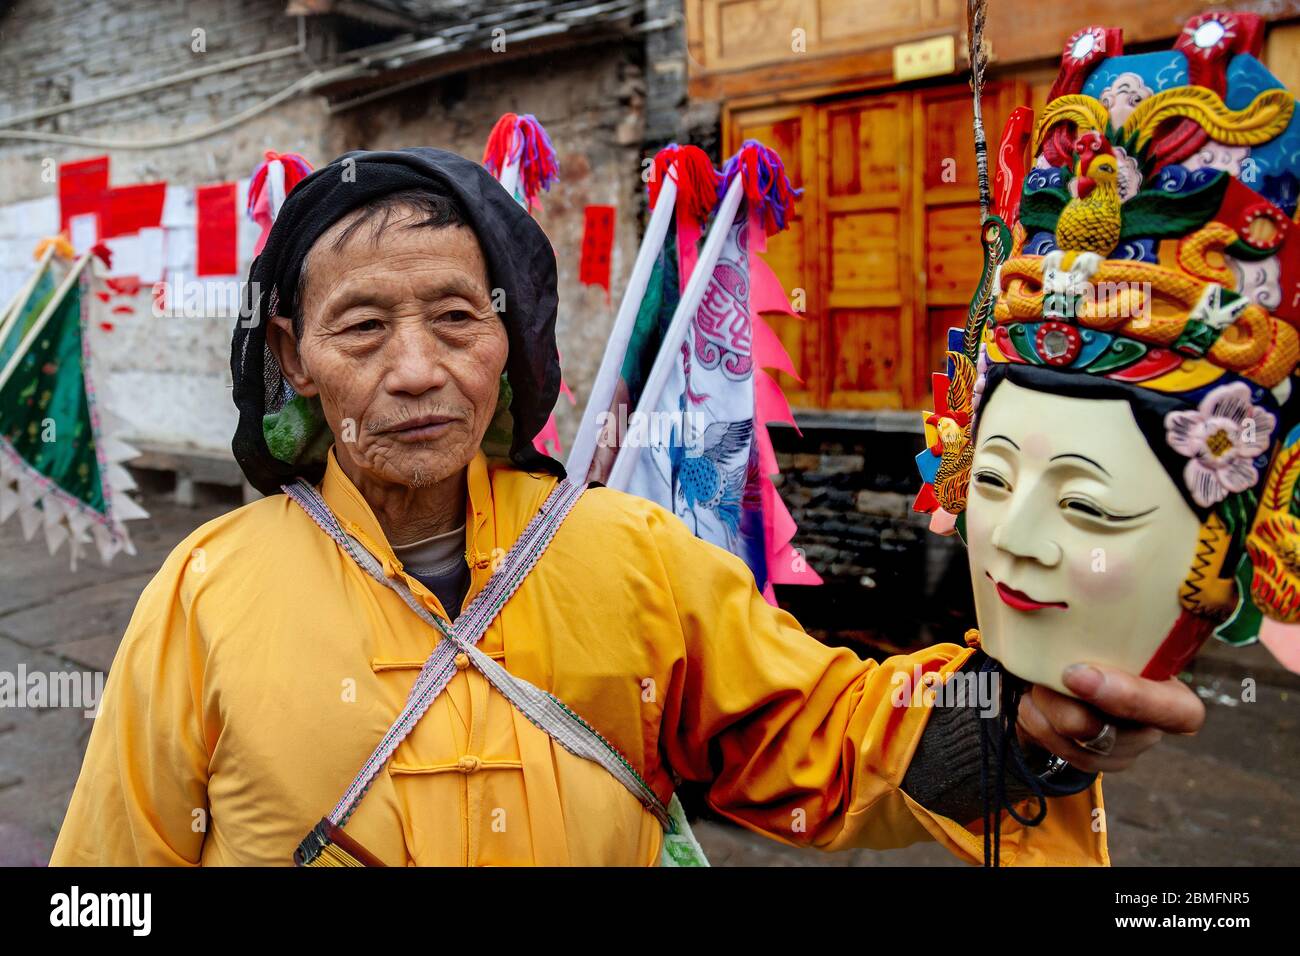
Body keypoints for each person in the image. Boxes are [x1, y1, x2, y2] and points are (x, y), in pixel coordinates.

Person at [50, 147, 1202, 867]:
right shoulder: (205, 590)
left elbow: (818, 734)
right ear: (295, 357)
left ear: (510, 341)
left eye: (457, 317)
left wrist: (1019, 725)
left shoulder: (622, 551)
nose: (415, 369)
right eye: (362, 328)